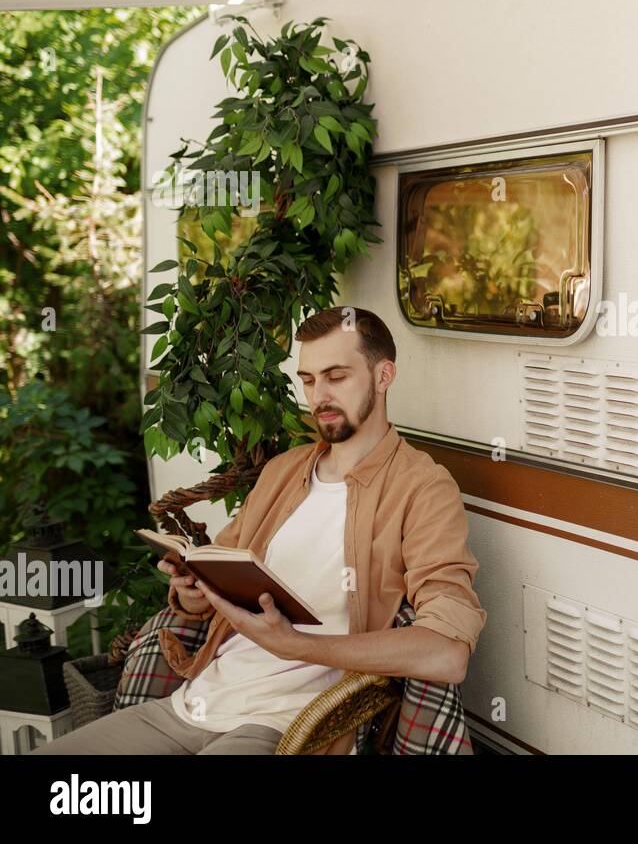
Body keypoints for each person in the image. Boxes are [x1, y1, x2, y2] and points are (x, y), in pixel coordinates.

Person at [35, 306, 486, 754]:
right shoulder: (284, 471)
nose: (319, 396)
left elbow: (447, 654)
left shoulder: (423, 488)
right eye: (308, 380)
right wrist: (194, 589)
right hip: (191, 703)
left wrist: (295, 645)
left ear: (384, 375)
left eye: (336, 376)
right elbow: (220, 569)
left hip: (283, 726)